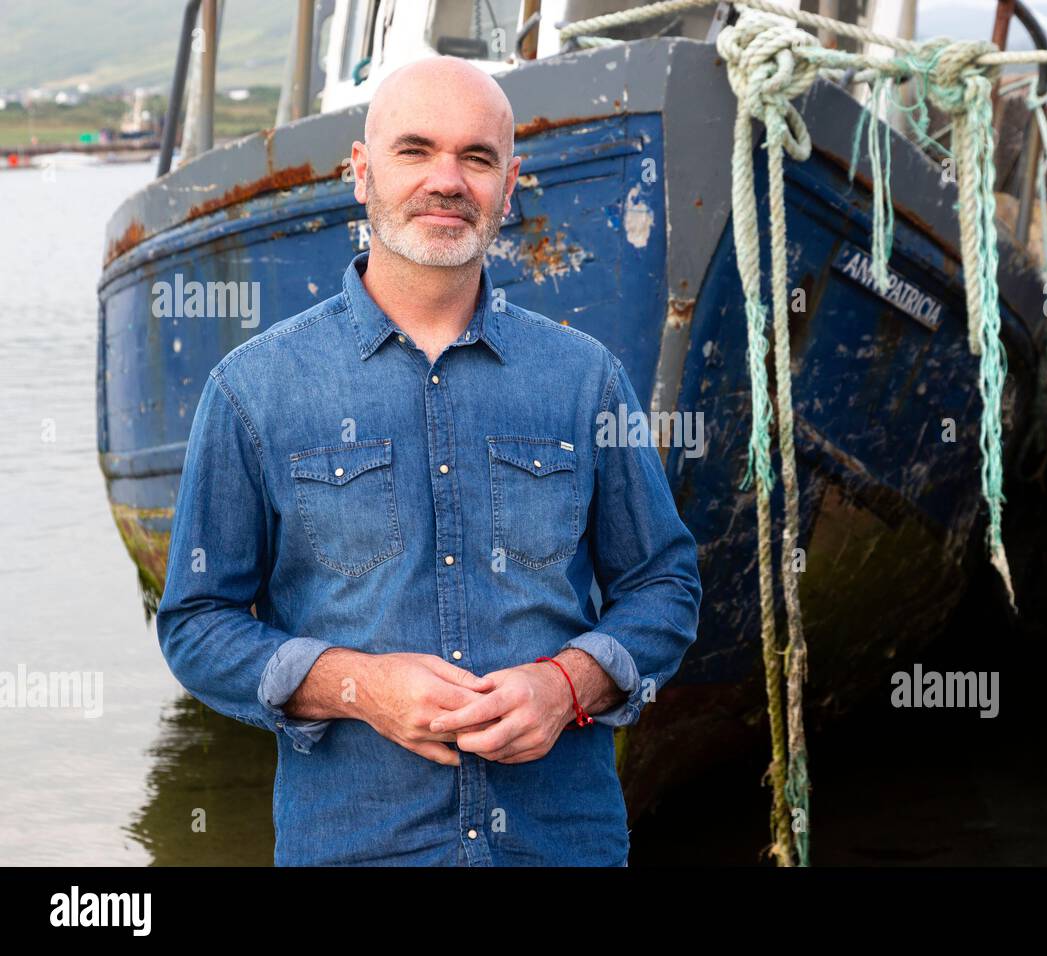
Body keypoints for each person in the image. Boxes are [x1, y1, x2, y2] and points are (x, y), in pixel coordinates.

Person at [154, 55, 702, 866]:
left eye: (476, 158)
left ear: (509, 186)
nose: (448, 180)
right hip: (355, 848)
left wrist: (566, 686)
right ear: (361, 173)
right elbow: (197, 625)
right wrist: (358, 688)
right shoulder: (255, 390)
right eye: (416, 150)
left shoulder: (586, 380)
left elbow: (664, 586)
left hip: (560, 846)